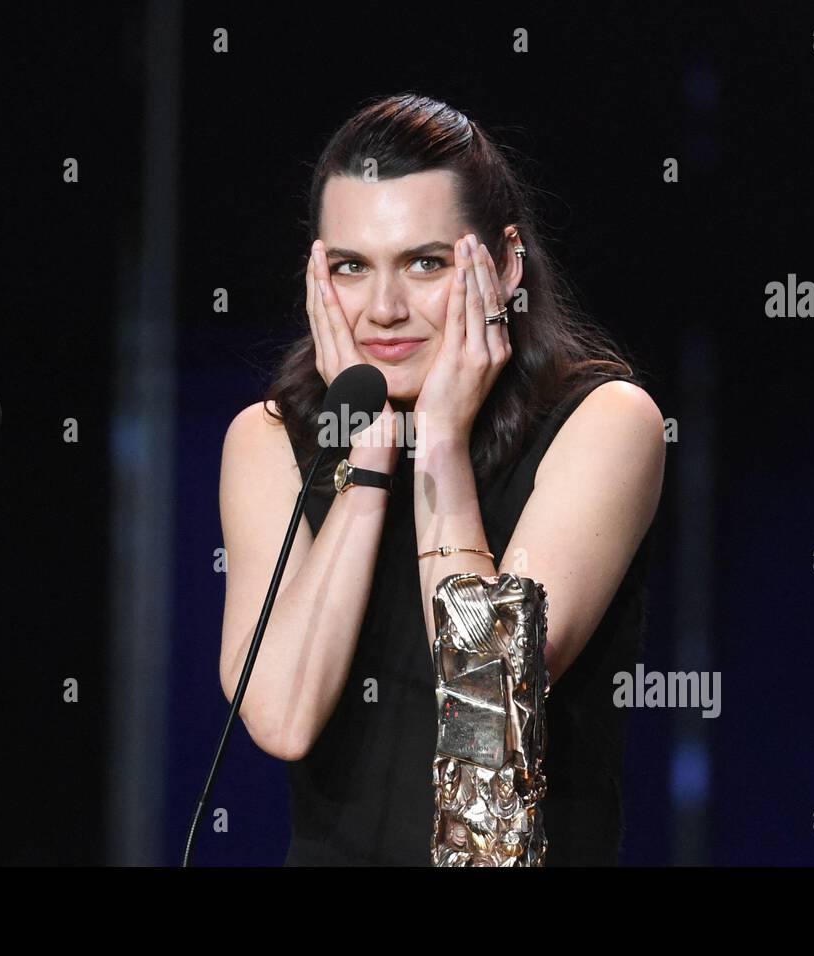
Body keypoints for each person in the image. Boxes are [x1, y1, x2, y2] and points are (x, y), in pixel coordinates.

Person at [218, 93, 665, 865]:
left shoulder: (605, 422)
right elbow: (282, 717)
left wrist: (444, 448)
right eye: (352, 268)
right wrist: (368, 461)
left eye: (424, 263)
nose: (384, 309)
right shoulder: (269, 440)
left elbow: (488, 704)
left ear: (505, 264)